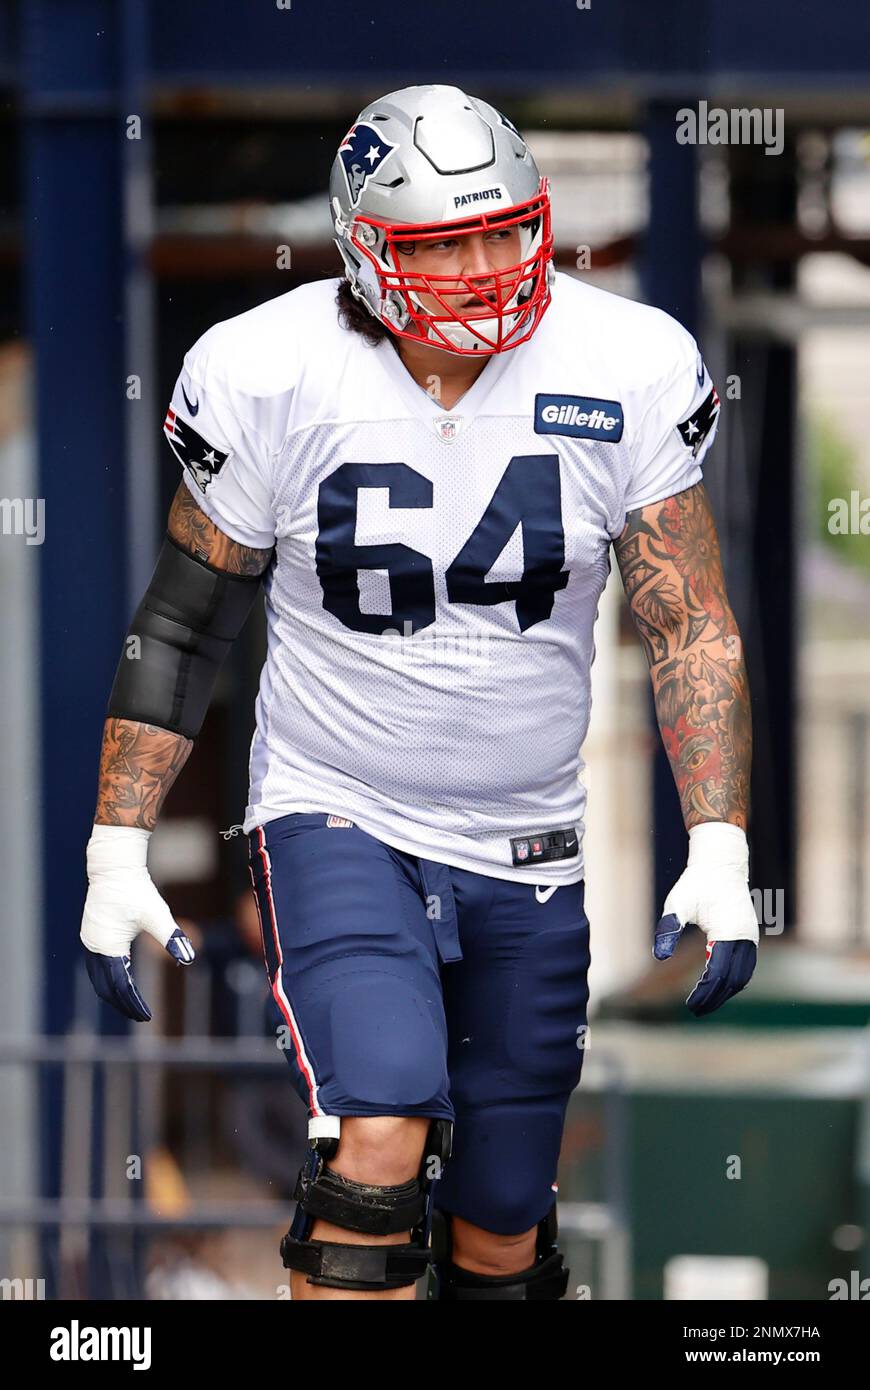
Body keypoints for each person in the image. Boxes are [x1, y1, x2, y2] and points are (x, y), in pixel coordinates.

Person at [80, 83, 759, 1301]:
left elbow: (687, 617)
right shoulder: (268, 370)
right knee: (378, 1139)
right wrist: (115, 846)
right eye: (449, 242)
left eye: (508, 228)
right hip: (339, 808)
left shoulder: (628, 359)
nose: (492, 265)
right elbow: (185, 620)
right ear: (365, 247)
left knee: (504, 1225)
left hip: (532, 839)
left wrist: (718, 839)